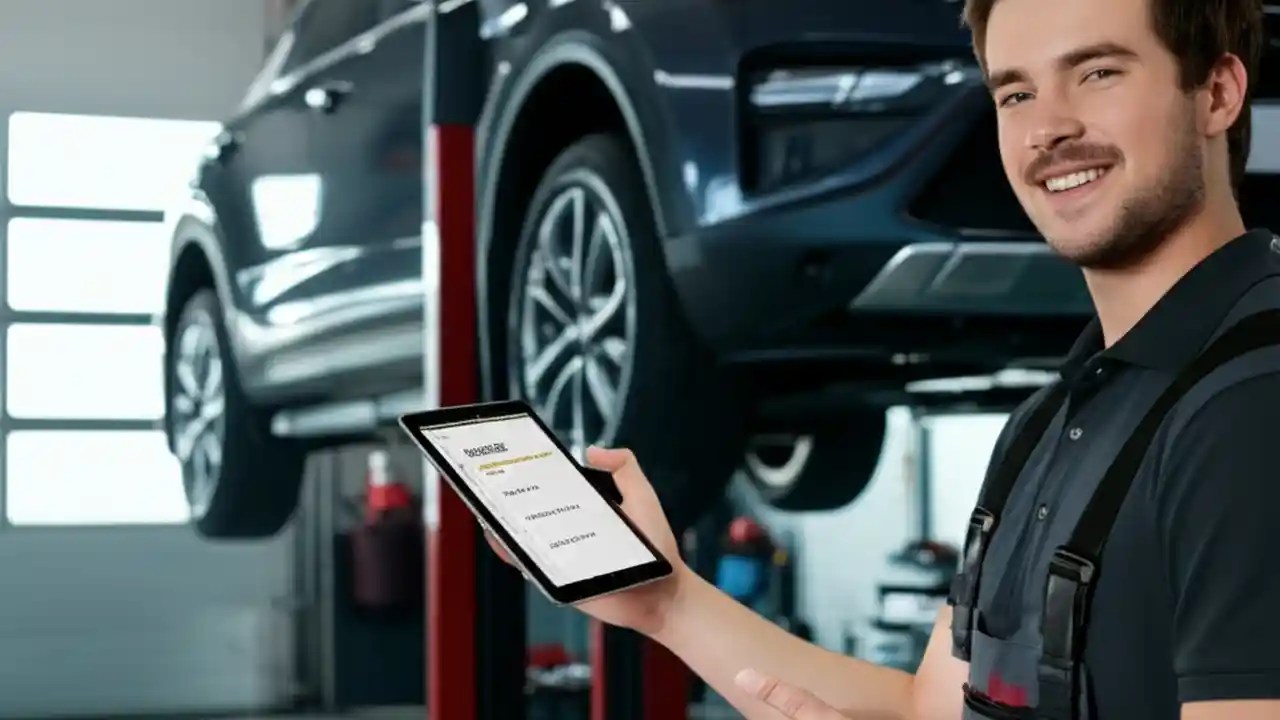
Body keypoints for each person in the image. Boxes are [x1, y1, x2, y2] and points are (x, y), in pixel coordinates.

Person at [487, 0, 1280, 717]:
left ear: (1216, 92)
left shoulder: (1249, 407)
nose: (1047, 128)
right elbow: (930, 705)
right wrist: (665, 602)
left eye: (1098, 72)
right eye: (1015, 94)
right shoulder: (1058, 416)